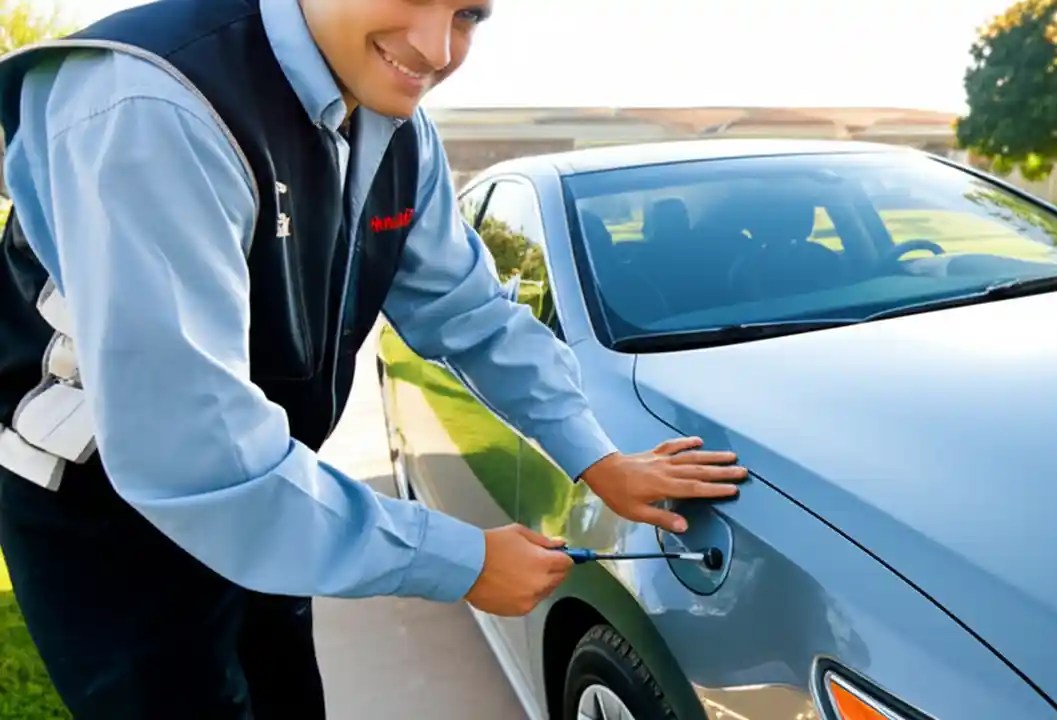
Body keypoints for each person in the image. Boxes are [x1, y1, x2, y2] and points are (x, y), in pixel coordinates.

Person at [0, 0, 747, 717]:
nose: (438, 48)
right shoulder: (154, 106)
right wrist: (462, 560)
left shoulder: (394, 124)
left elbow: (472, 315)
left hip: (273, 478)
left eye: (469, 15)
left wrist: (599, 458)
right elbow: (194, 453)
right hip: (112, 516)